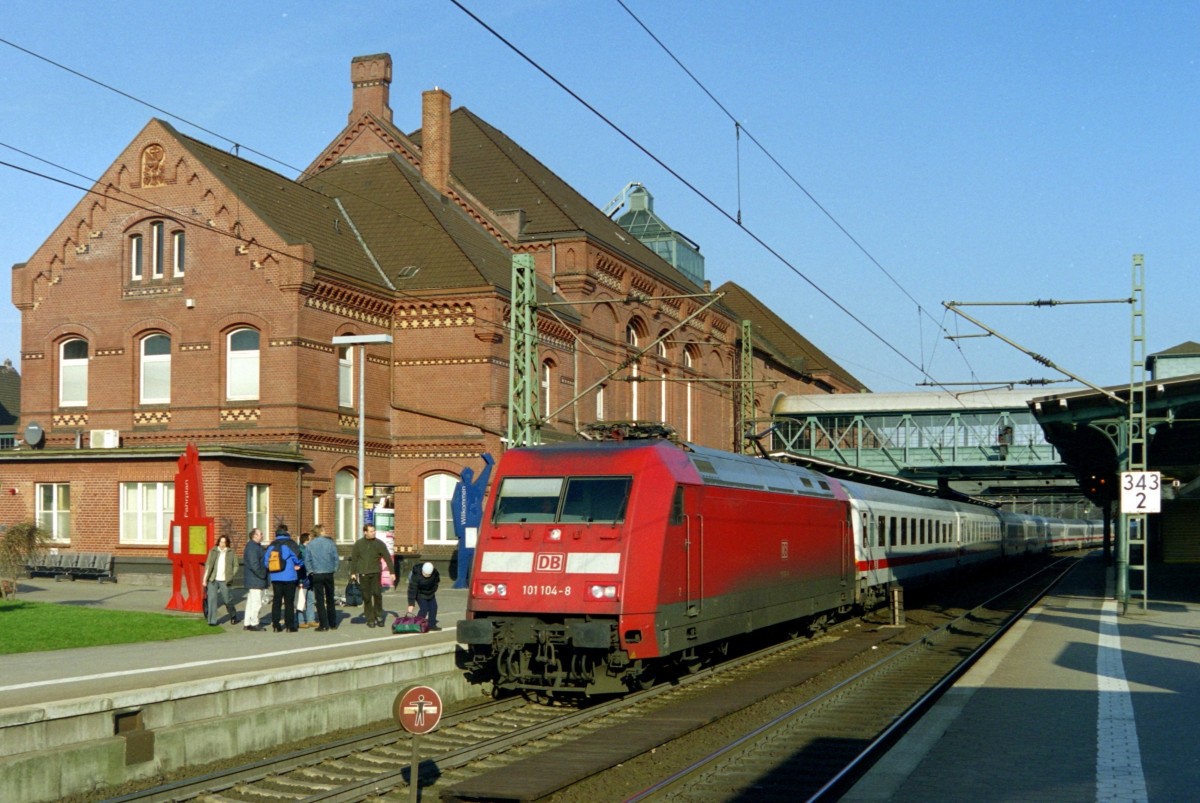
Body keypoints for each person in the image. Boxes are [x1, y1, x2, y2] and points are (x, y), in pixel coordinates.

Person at [349, 523, 391, 627]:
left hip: (376, 572)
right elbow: (354, 559)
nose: (374, 533)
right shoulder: (359, 544)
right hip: (363, 573)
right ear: (365, 532)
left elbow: (387, 557)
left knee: (377, 594)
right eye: (371, 531)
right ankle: (370, 618)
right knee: (366, 597)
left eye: (374, 531)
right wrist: (353, 573)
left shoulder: (379, 543)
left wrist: (392, 572)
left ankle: (379, 615)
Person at [264, 523, 303, 632]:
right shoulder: (290, 544)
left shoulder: (271, 545)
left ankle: (276, 625)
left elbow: (266, 561)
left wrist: (272, 569)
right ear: (286, 532)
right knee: (289, 602)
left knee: (276, 601)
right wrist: (298, 565)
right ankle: (290, 626)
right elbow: (298, 558)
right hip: (289, 576)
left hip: (275, 577)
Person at [305, 524, 340, 631]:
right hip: (329, 573)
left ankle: (324, 624)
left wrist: (310, 571)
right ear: (321, 532)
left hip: (317, 574)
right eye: (323, 530)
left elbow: (307, 560)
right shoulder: (330, 543)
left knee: (319, 600)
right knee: (330, 598)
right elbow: (336, 558)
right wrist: (334, 569)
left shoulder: (310, 545)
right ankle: (333, 623)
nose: (325, 531)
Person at [202, 534, 238, 626]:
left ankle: (233, 614)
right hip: (213, 579)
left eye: (224, 542)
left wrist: (231, 575)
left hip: (225, 580)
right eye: (221, 542)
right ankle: (212, 621)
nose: (222, 544)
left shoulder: (231, 552)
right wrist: (205, 579)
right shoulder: (213, 551)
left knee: (227, 600)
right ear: (218, 542)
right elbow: (208, 565)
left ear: (227, 543)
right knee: (212, 600)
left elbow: (236, 565)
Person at [241, 528, 268, 631]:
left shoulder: (254, 546)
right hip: (255, 579)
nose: (262, 535)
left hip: (253, 578)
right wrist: (262, 574)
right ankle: (254, 623)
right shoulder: (253, 547)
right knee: (256, 602)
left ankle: (247, 622)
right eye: (260, 534)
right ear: (254, 536)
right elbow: (254, 564)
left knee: (251, 602)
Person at [407, 561, 441, 631]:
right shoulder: (416, 575)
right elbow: (412, 590)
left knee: (433, 607)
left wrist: (434, 589)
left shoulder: (435, 573)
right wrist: (411, 604)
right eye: (425, 574)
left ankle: (432, 624)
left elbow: (437, 581)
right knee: (424, 608)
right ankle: (417, 624)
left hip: (431, 592)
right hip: (420, 593)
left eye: (428, 575)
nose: (426, 576)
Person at [295, 533, 317, 628]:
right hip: (302, 578)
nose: (311, 540)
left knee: (310, 599)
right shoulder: (301, 550)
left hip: (309, 578)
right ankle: (300, 621)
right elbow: (304, 562)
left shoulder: (307, 549)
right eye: (310, 538)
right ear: (306, 540)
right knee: (301, 601)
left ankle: (310, 619)